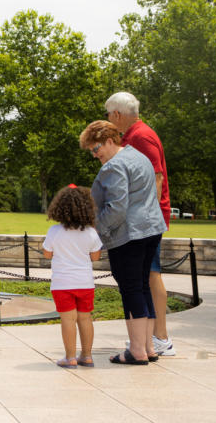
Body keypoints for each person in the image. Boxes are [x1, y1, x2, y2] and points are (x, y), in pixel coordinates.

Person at [80, 119, 167, 365]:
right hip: (151, 229)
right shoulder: (138, 157)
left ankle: (137, 350)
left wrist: (97, 231)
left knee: (131, 289)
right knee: (141, 286)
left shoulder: (113, 167)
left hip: (129, 234)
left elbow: (116, 208)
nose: (95, 155)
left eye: (96, 149)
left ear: (110, 140)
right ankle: (148, 347)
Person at [105, 91, 175, 356]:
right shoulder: (133, 135)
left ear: (117, 114)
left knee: (150, 275)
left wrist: (146, 218)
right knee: (146, 276)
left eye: (109, 115)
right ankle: (149, 339)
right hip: (147, 218)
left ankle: (160, 338)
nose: (109, 120)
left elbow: (155, 177)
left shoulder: (140, 136)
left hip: (147, 220)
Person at [42, 184, 103, 368]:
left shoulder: (54, 231)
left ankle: (70, 357)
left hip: (62, 284)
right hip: (85, 283)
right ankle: (87, 356)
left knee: (68, 320)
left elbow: (47, 254)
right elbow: (95, 257)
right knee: (85, 318)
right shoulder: (91, 232)